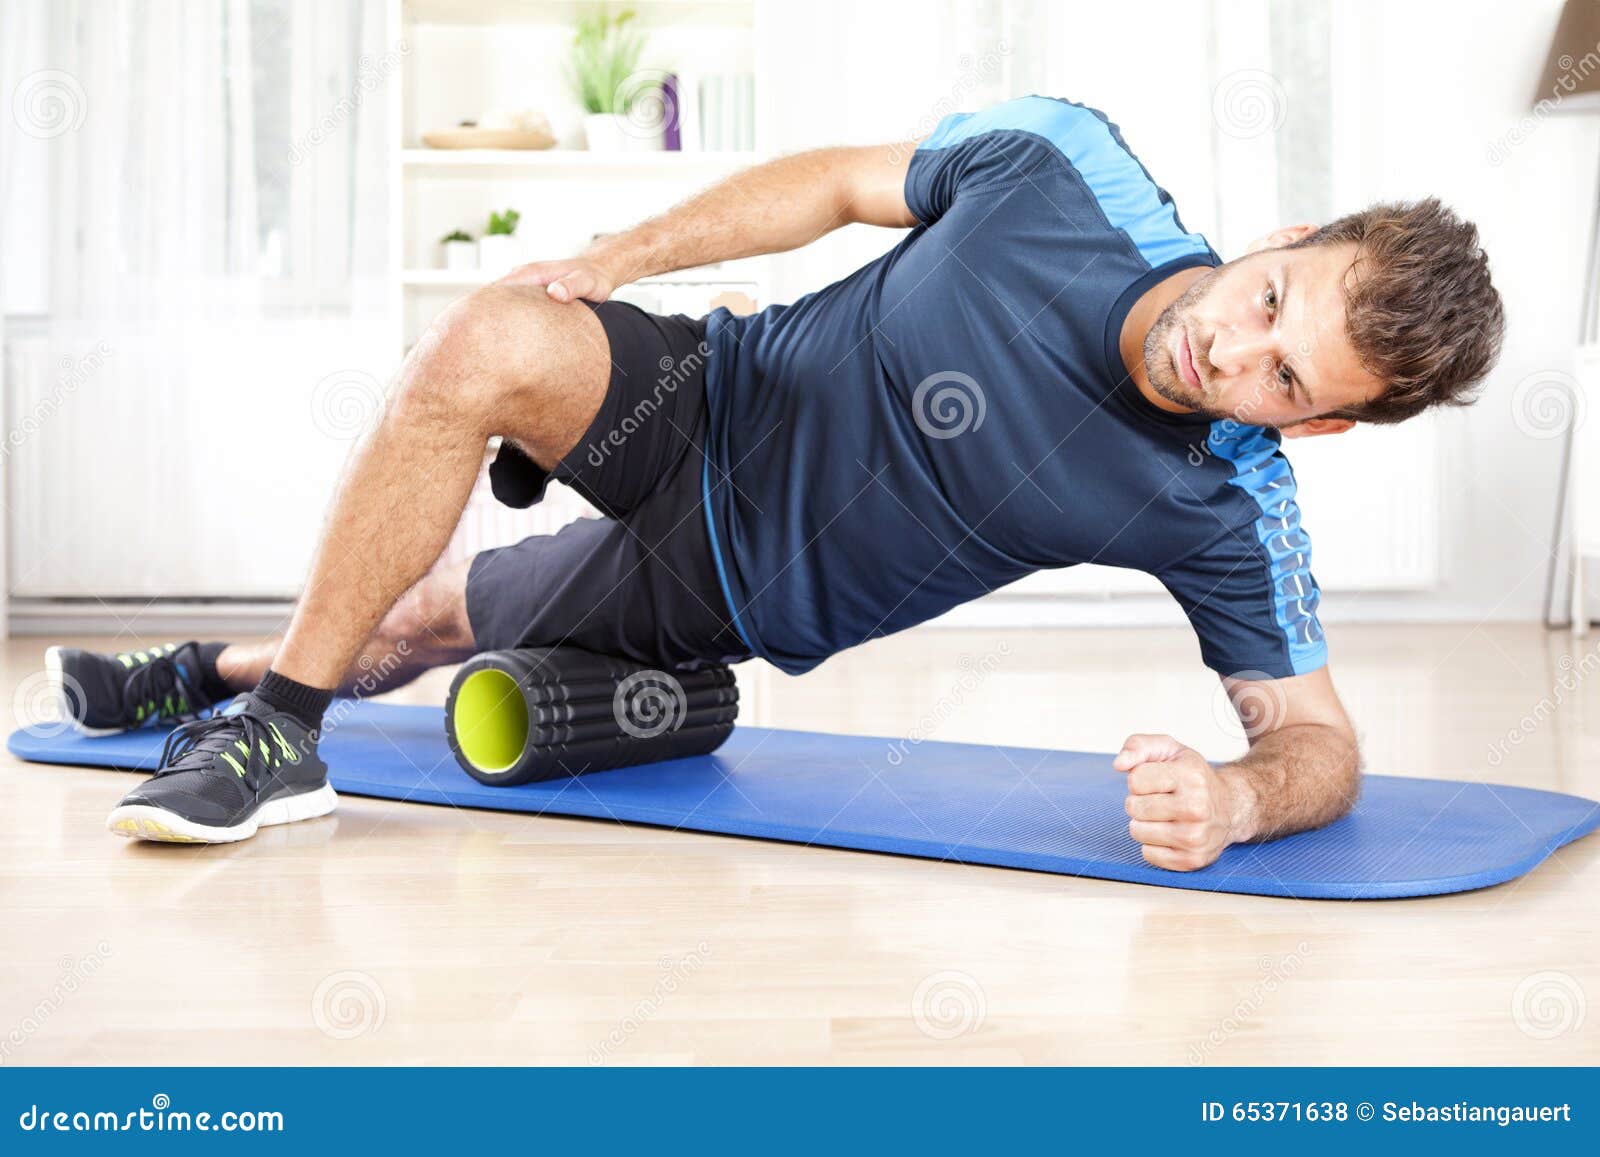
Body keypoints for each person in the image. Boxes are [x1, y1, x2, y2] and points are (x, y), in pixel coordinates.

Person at [57, 96, 1503, 865]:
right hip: (707, 394)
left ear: (1312, 429)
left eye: (1286, 379)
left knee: (442, 619)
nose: (1228, 353)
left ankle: (203, 670)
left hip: (729, 582)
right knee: (489, 334)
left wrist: (1241, 801)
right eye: (1270, 301)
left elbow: (1321, 740)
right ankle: (277, 737)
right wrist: (617, 262)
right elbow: (832, 181)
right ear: (1287, 235)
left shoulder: (1227, 501)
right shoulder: (1069, 171)